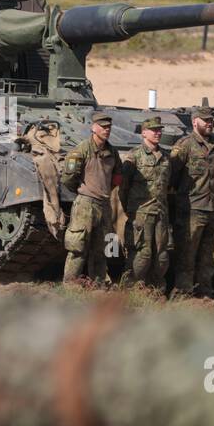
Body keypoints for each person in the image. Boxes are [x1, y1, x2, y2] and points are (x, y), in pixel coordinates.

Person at [170, 103, 214, 298]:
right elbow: (173, 177)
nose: (210, 123)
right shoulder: (184, 146)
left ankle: (205, 293)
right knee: (187, 254)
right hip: (192, 209)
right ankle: (183, 293)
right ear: (195, 122)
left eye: (212, 120)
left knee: (210, 256)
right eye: (206, 120)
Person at [61, 112, 121, 284]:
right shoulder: (81, 150)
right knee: (77, 246)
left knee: (102, 248)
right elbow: (68, 179)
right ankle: (71, 284)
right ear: (93, 128)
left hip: (104, 204)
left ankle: (100, 283)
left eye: (109, 127)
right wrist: (84, 191)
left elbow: (117, 177)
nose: (106, 130)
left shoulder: (113, 152)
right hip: (85, 204)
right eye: (103, 127)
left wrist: (105, 191)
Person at [118, 116, 173, 292]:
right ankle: (131, 288)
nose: (158, 133)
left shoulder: (166, 157)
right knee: (142, 254)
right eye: (154, 130)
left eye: (159, 130)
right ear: (144, 133)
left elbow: (168, 185)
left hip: (161, 214)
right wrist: (131, 210)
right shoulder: (134, 156)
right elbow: (123, 188)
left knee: (162, 255)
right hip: (141, 213)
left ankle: (156, 289)